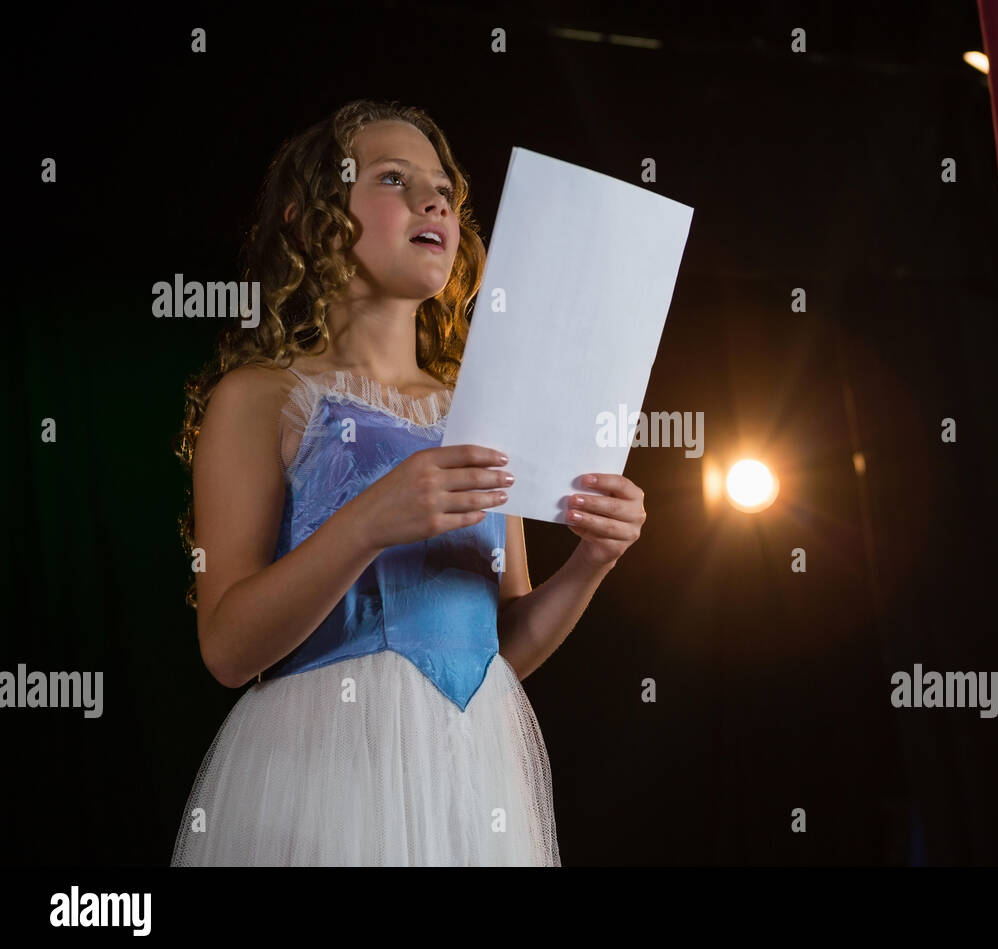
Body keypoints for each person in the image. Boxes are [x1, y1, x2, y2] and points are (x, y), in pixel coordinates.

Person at [169, 99, 646, 865]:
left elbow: (504, 648)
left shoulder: (485, 411)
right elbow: (228, 649)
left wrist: (594, 561)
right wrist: (370, 520)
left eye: (445, 192)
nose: (434, 201)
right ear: (308, 221)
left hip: (470, 776)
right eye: (394, 179)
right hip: (322, 769)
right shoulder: (260, 398)